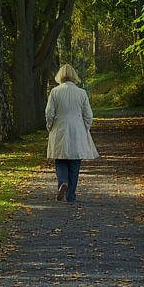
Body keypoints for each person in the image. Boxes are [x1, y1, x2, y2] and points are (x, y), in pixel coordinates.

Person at [45, 63, 99, 202]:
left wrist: (50, 126)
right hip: (77, 128)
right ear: (74, 76)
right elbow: (88, 115)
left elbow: (49, 113)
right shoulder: (81, 93)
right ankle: (71, 195)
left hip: (60, 127)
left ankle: (63, 182)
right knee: (75, 163)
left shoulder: (55, 92)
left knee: (60, 160)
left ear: (60, 76)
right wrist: (85, 128)